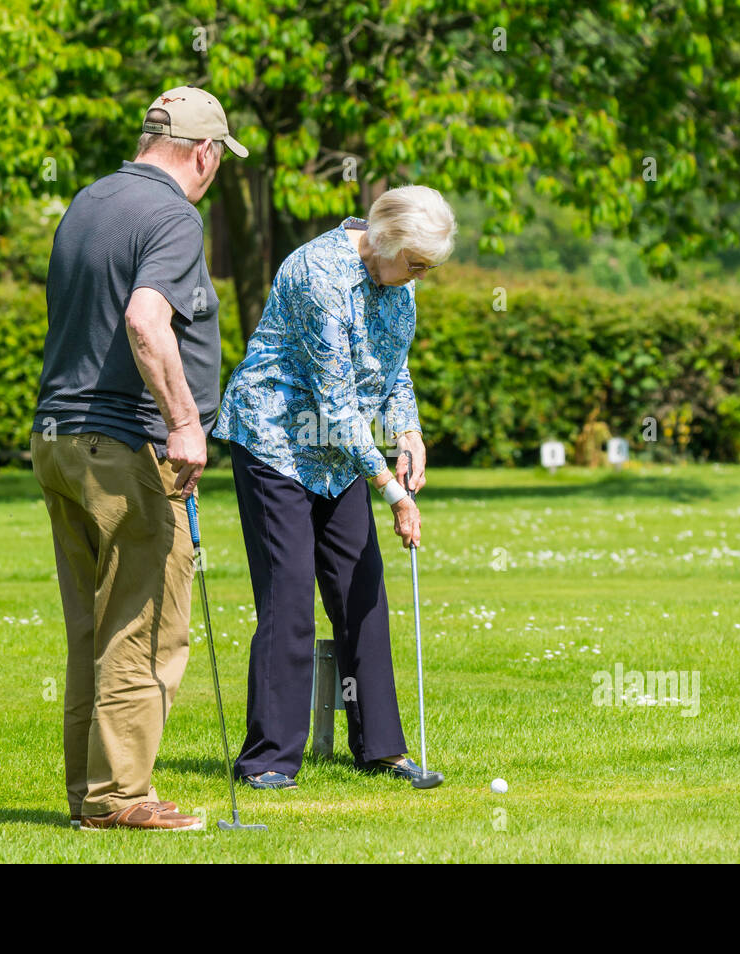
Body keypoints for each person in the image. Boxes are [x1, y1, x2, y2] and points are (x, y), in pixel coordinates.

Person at [30, 86, 247, 831]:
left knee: (95, 631)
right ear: (204, 153)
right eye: (219, 159)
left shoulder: (90, 201)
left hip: (58, 439)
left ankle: (92, 796)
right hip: (123, 445)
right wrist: (186, 425)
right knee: (146, 628)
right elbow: (144, 320)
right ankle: (121, 799)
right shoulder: (173, 217)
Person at [212, 185, 457, 789]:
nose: (420, 276)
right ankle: (268, 760)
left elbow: (394, 367)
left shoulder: (399, 279)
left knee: (360, 588)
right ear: (386, 241)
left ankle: (381, 749)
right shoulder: (318, 272)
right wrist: (391, 492)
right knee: (289, 595)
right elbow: (337, 403)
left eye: (427, 267)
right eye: (417, 264)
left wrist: (408, 432)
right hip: (275, 439)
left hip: (336, 454)